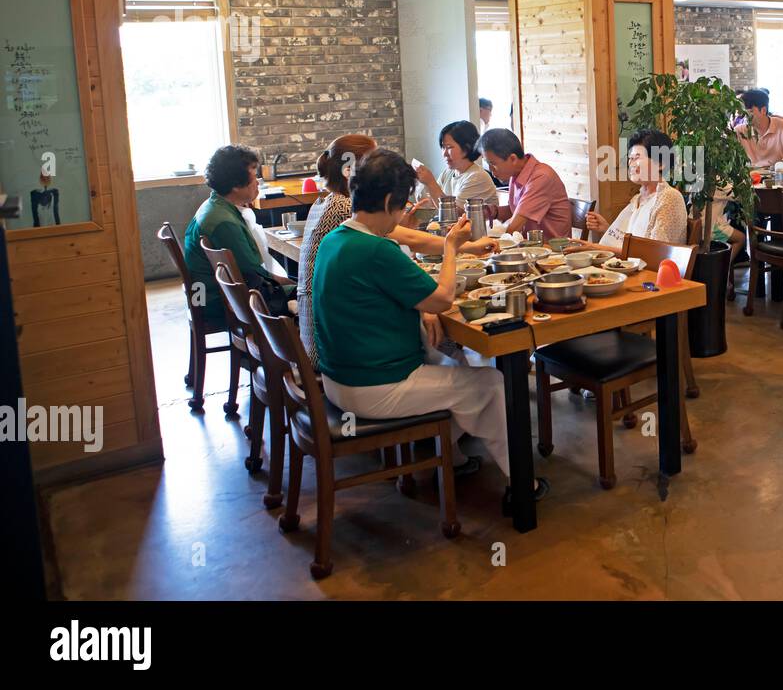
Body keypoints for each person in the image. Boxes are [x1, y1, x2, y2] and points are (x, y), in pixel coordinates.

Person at [311, 149, 547, 505]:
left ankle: (451, 458)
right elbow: (441, 299)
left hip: (338, 379)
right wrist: (452, 248)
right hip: (372, 386)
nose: (404, 213)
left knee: (456, 365)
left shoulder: (339, 238)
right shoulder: (375, 250)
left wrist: (460, 249)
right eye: (403, 205)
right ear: (390, 200)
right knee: (491, 383)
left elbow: (407, 254)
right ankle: (522, 485)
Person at [298, 134, 496, 362]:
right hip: (339, 346)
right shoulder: (347, 209)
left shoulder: (331, 204)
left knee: (434, 329)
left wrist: (467, 247)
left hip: (329, 337)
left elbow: (402, 239)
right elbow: (411, 244)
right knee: (441, 337)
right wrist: (425, 305)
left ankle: (454, 362)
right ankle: (454, 365)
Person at [184, 144, 294, 325]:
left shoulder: (215, 205)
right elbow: (256, 273)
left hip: (210, 295)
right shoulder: (224, 223)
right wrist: (295, 285)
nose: (258, 181)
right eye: (254, 175)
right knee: (309, 294)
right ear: (236, 184)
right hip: (219, 303)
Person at [583, 129, 688, 248]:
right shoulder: (638, 199)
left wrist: (596, 247)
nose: (631, 164)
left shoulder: (669, 198)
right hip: (629, 266)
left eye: (637, 158)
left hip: (651, 267)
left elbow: (653, 252)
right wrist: (607, 228)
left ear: (660, 163)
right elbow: (632, 241)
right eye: (630, 158)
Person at [478, 128, 572, 239]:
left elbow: (514, 227)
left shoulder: (541, 177)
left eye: (492, 164)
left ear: (513, 159)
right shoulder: (516, 173)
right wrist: (493, 211)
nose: (490, 170)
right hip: (531, 246)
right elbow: (514, 210)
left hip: (553, 250)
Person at [413, 120, 499, 204]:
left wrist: (431, 182)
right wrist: (421, 183)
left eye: (449, 147)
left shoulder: (477, 177)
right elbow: (432, 205)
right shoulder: (447, 173)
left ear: (467, 148)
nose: (444, 153)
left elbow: (454, 214)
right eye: (443, 147)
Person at [737, 89, 783, 167]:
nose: (744, 116)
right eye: (743, 112)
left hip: (778, 176)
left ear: (763, 110)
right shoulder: (739, 131)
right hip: (751, 177)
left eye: (749, 112)